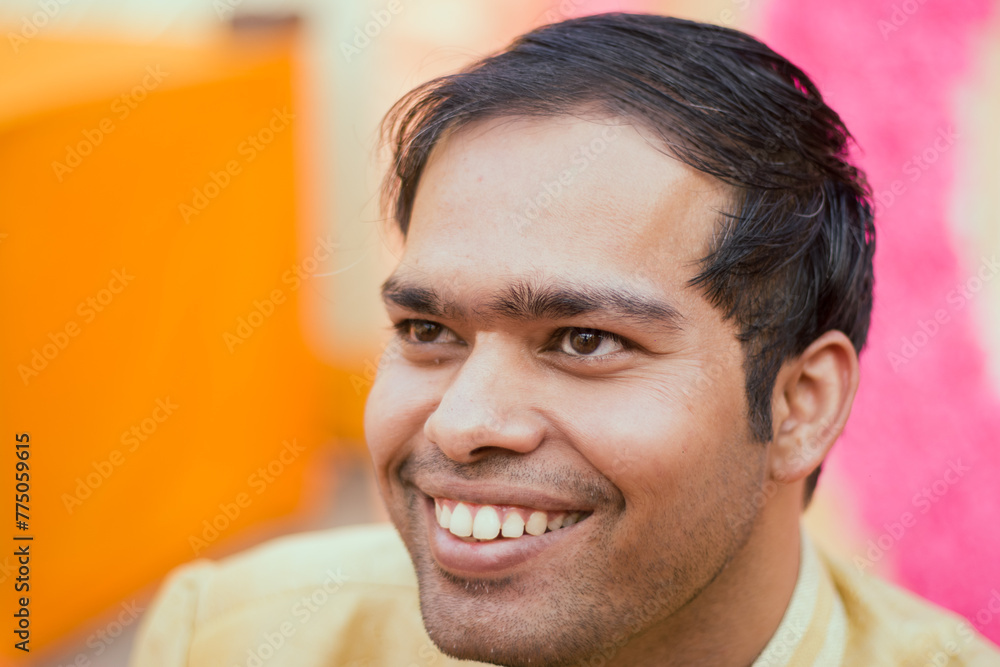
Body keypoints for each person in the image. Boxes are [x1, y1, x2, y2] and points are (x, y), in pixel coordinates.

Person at [130, 13, 1000, 667]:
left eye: (583, 340)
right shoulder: (235, 637)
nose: (459, 422)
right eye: (427, 330)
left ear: (800, 403)